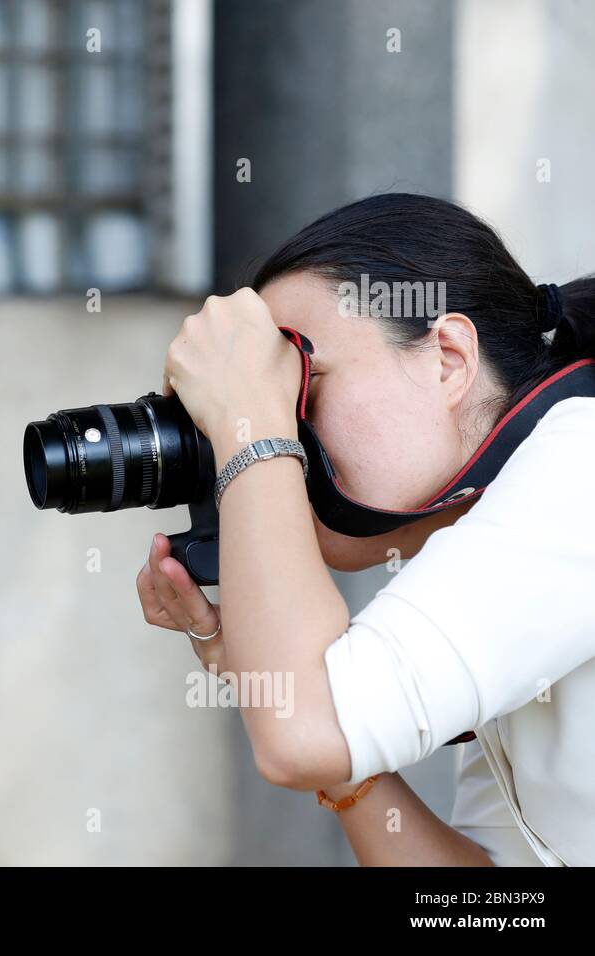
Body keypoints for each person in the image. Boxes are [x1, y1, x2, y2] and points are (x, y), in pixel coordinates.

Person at [137, 193, 595, 866]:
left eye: (302, 387)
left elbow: (304, 733)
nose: (282, 425)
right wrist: (336, 752)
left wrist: (248, 424)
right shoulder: (502, 548)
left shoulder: (578, 467)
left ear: (447, 358)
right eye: (271, 396)